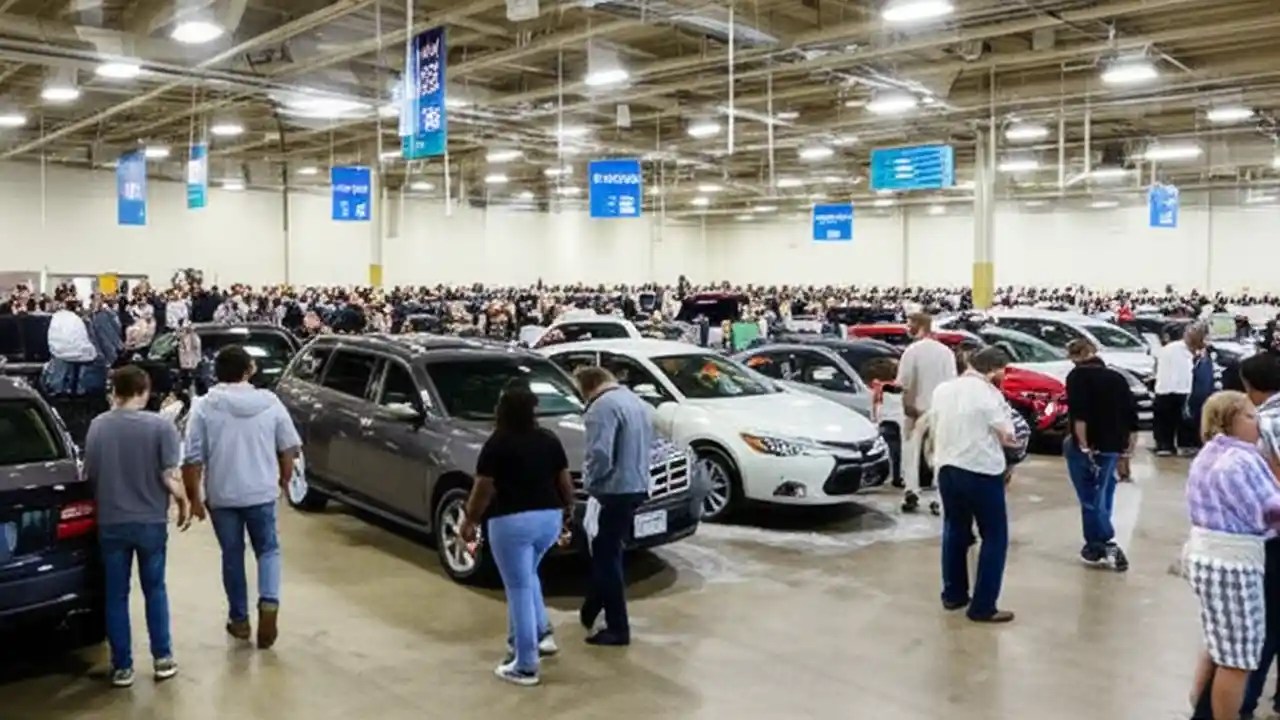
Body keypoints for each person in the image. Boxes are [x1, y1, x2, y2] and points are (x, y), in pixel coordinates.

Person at [182, 345, 301, 650]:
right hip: (261, 490)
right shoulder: (270, 402)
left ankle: (239, 620)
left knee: (232, 556)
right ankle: (270, 604)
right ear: (248, 370)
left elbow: (192, 459)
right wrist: (284, 479)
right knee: (268, 550)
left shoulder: (204, 406)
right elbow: (288, 448)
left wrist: (194, 498)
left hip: (223, 494)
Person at [459, 379, 575, 687]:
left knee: (519, 589)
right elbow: (565, 483)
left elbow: (482, 490)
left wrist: (469, 521)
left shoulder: (497, 443)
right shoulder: (549, 439)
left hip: (510, 522)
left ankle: (525, 664)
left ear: (501, 410)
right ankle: (541, 634)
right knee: (528, 576)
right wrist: (567, 513)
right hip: (547, 519)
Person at [83, 366, 190, 687]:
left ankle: (122, 667)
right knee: (155, 589)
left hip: (111, 522)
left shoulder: (97, 427)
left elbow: (90, 474)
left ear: (114, 392)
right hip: (150, 523)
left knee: (116, 594)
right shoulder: (161, 427)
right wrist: (184, 502)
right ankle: (162, 658)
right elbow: (169, 476)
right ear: (144, 391)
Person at [1184, 391, 1280, 720]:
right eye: (1251, 417)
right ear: (1230, 421)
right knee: (1239, 659)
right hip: (1233, 564)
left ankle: (1200, 708)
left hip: (1207, 556)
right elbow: (1271, 510)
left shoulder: (1209, 454)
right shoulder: (1241, 459)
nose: (1260, 424)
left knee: (1217, 644)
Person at [929, 346, 1020, 624]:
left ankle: (953, 594)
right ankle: (983, 606)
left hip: (947, 467)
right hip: (981, 469)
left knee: (955, 530)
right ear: (994, 370)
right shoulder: (989, 393)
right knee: (994, 536)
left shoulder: (943, 389)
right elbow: (1008, 434)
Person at [573, 365, 654, 646]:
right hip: (637, 485)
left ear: (589, 387)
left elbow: (599, 453)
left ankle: (618, 627)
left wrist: (590, 482)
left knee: (607, 558)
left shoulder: (601, 408)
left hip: (614, 490)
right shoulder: (636, 402)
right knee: (609, 551)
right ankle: (590, 609)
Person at [1063, 339, 1136, 571]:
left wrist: (1084, 446)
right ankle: (1097, 545)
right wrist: (1127, 452)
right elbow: (1131, 417)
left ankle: (1103, 542)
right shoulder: (1117, 378)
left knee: (1089, 496)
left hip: (1089, 445)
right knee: (1104, 492)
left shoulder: (1077, 377)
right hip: (1113, 445)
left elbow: (1079, 415)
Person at [1240, 354, 1280, 718]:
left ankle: (1245, 702)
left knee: (1264, 622)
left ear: (1249, 386)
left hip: (1272, 534)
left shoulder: (1260, 423)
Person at [895, 312, 958, 514]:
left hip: (916, 411)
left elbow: (903, 383)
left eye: (910, 323)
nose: (907, 327)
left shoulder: (912, 351)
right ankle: (939, 498)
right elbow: (952, 383)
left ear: (920, 325)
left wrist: (907, 405)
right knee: (939, 455)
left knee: (911, 452)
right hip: (941, 410)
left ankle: (911, 491)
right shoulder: (946, 352)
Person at [1154, 322, 1207, 456]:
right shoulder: (1173, 349)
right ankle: (1165, 445)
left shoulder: (1202, 352)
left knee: (1187, 421)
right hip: (1169, 389)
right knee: (1168, 421)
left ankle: (1186, 445)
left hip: (1187, 391)